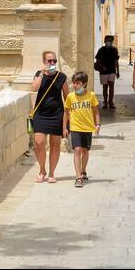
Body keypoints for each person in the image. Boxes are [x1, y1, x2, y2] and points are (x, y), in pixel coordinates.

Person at [29, 50, 68, 183]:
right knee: (39, 143)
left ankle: (51, 173)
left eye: (54, 61)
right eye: (49, 61)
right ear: (44, 62)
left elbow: (67, 96)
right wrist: (41, 74)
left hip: (57, 114)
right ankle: (42, 170)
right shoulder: (39, 74)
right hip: (40, 113)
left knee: (55, 144)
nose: (52, 63)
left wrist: (69, 117)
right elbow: (34, 88)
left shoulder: (61, 76)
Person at [63, 71, 101, 188]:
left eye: (77, 83)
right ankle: (78, 176)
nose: (75, 85)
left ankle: (83, 171)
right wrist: (65, 127)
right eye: (74, 83)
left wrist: (97, 124)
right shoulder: (70, 97)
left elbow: (96, 112)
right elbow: (66, 112)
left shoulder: (91, 96)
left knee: (85, 151)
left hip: (87, 128)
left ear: (84, 84)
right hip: (75, 127)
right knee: (77, 150)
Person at [94, 34, 120, 109]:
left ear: (112, 42)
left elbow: (116, 61)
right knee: (105, 87)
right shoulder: (101, 50)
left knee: (111, 86)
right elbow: (97, 61)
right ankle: (105, 102)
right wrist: (102, 67)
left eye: (110, 41)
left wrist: (118, 71)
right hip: (103, 72)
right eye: (107, 40)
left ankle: (111, 102)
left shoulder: (114, 50)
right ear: (105, 41)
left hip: (112, 70)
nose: (108, 42)